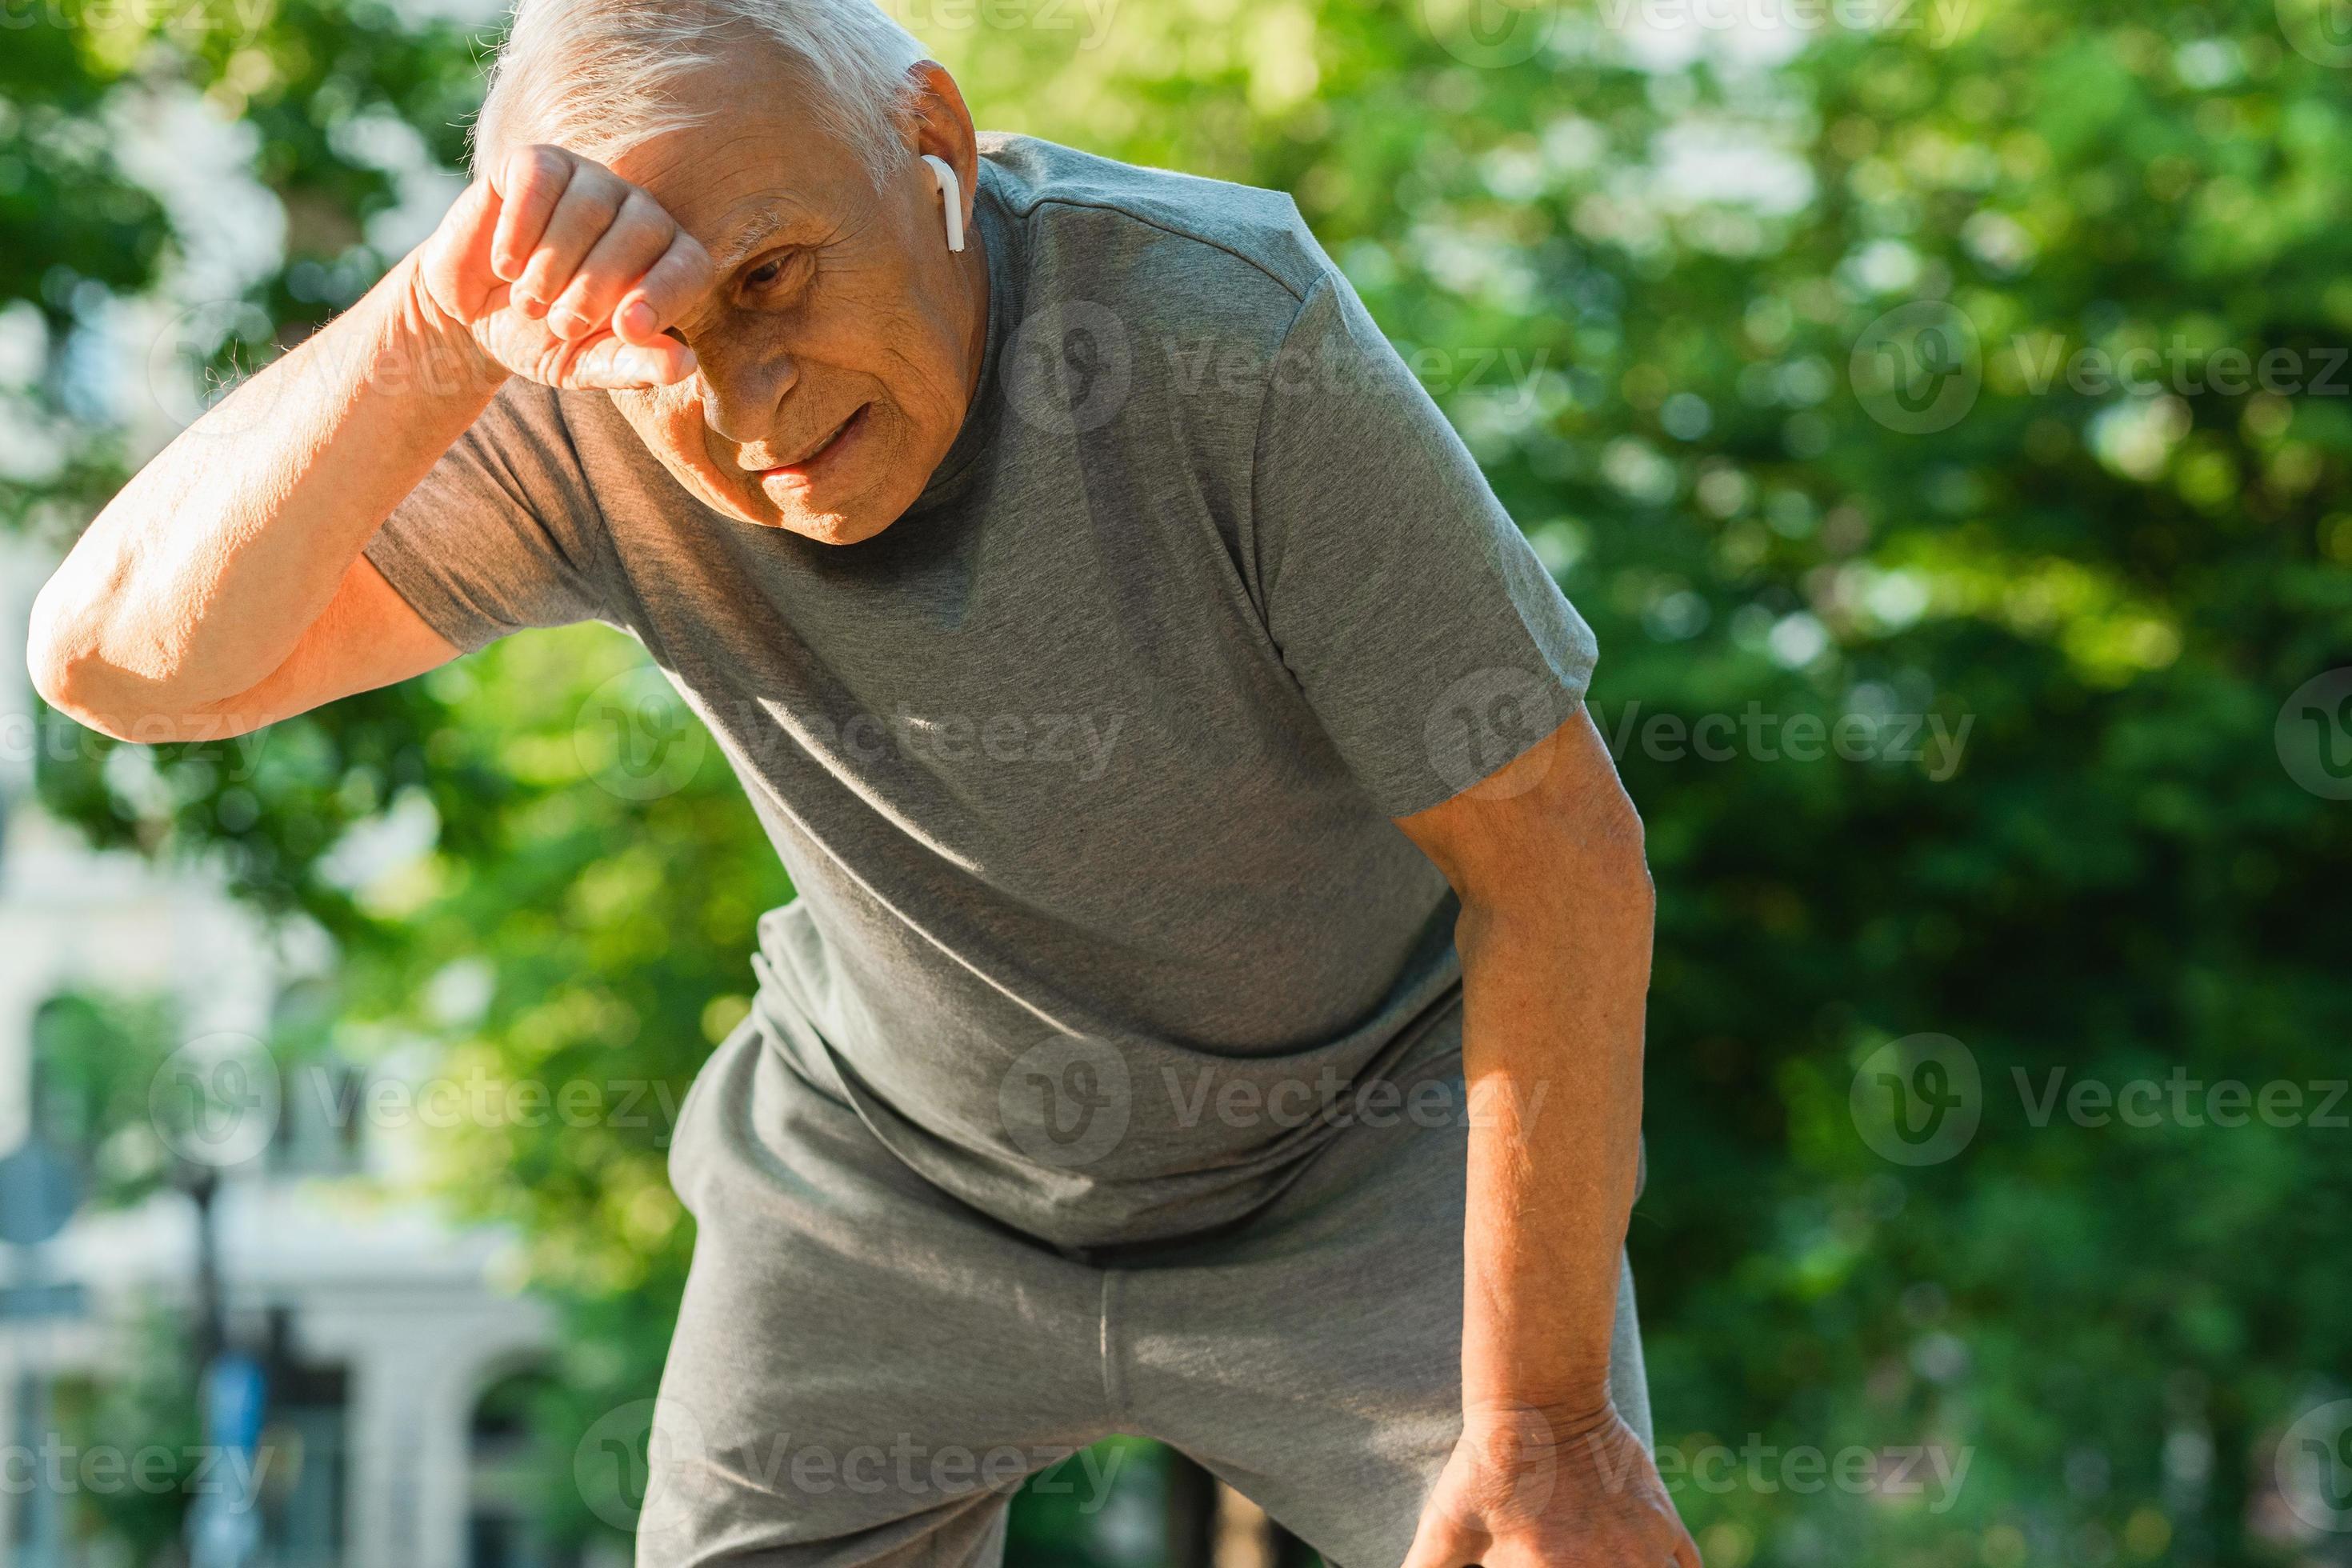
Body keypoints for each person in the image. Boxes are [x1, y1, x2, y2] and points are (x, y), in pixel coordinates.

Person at [30, 2, 1697, 1565]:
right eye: (661, 336)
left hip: (1359, 1152)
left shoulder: (1225, 328)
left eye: (770, 276)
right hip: (888, 1174)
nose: (741, 401)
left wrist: (1546, 1417)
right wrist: (434, 320)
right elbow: (116, 665)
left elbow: (1554, 854)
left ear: (936, 149)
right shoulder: (587, 409)